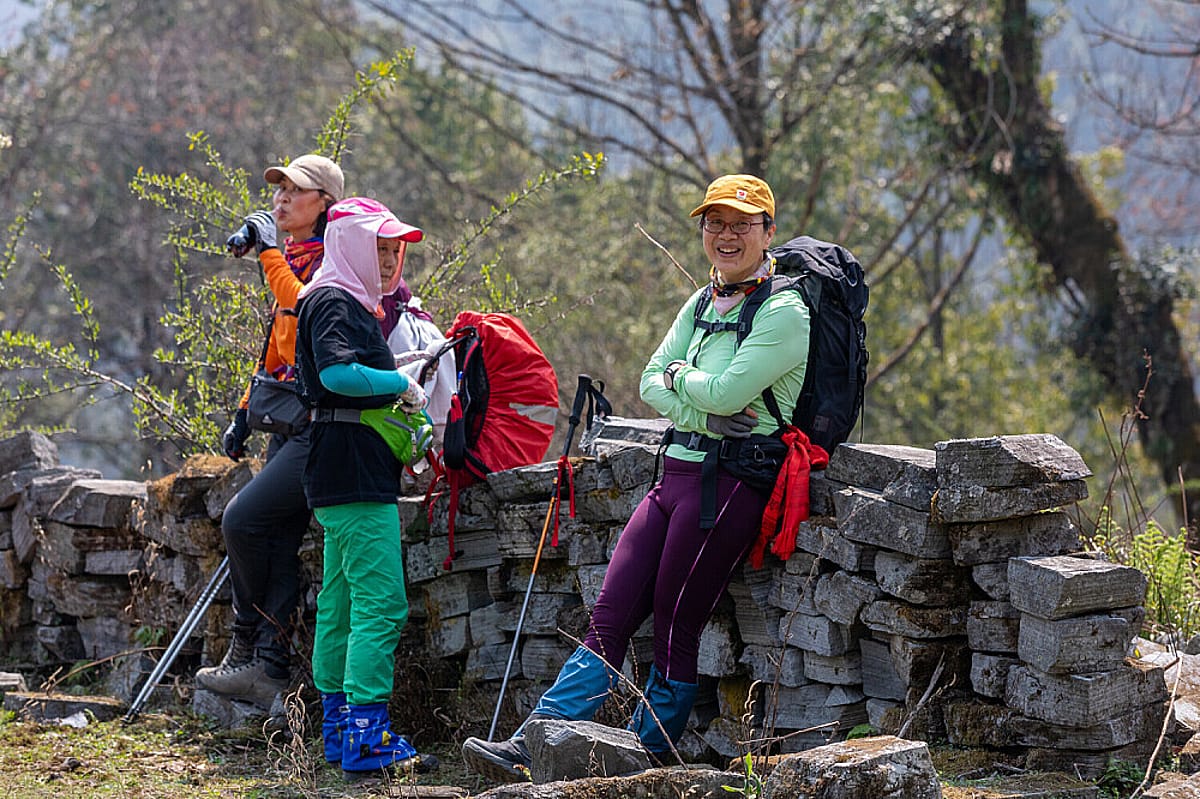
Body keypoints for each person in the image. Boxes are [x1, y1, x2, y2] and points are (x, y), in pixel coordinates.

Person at [461, 174, 814, 781]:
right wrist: (693, 395)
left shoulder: (785, 311)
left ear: (768, 231)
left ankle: (642, 760)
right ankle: (537, 742)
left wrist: (685, 382)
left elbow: (728, 389)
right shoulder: (701, 304)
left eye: (742, 224)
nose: (726, 235)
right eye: (715, 223)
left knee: (678, 620)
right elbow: (652, 382)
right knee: (611, 611)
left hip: (729, 487)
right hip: (674, 474)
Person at [294, 196, 437, 776]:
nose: (388, 259)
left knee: (342, 603)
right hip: (353, 475)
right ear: (349, 247)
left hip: (340, 468)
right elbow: (335, 374)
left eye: (394, 249)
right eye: (377, 247)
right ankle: (366, 738)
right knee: (381, 604)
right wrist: (400, 380)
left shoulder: (337, 298)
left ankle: (336, 731)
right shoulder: (334, 301)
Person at [197, 153, 344, 711]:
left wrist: (266, 253)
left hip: (318, 430)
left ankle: (244, 646)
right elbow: (278, 346)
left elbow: (299, 306)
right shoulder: (294, 256)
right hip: (287, 421)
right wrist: (243, 411)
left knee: (242, 519)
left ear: (323, 205)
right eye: (278, 191)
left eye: (295, 192)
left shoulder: (332, 261)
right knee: (278, 540)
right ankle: (270, 670)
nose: (280, 200)